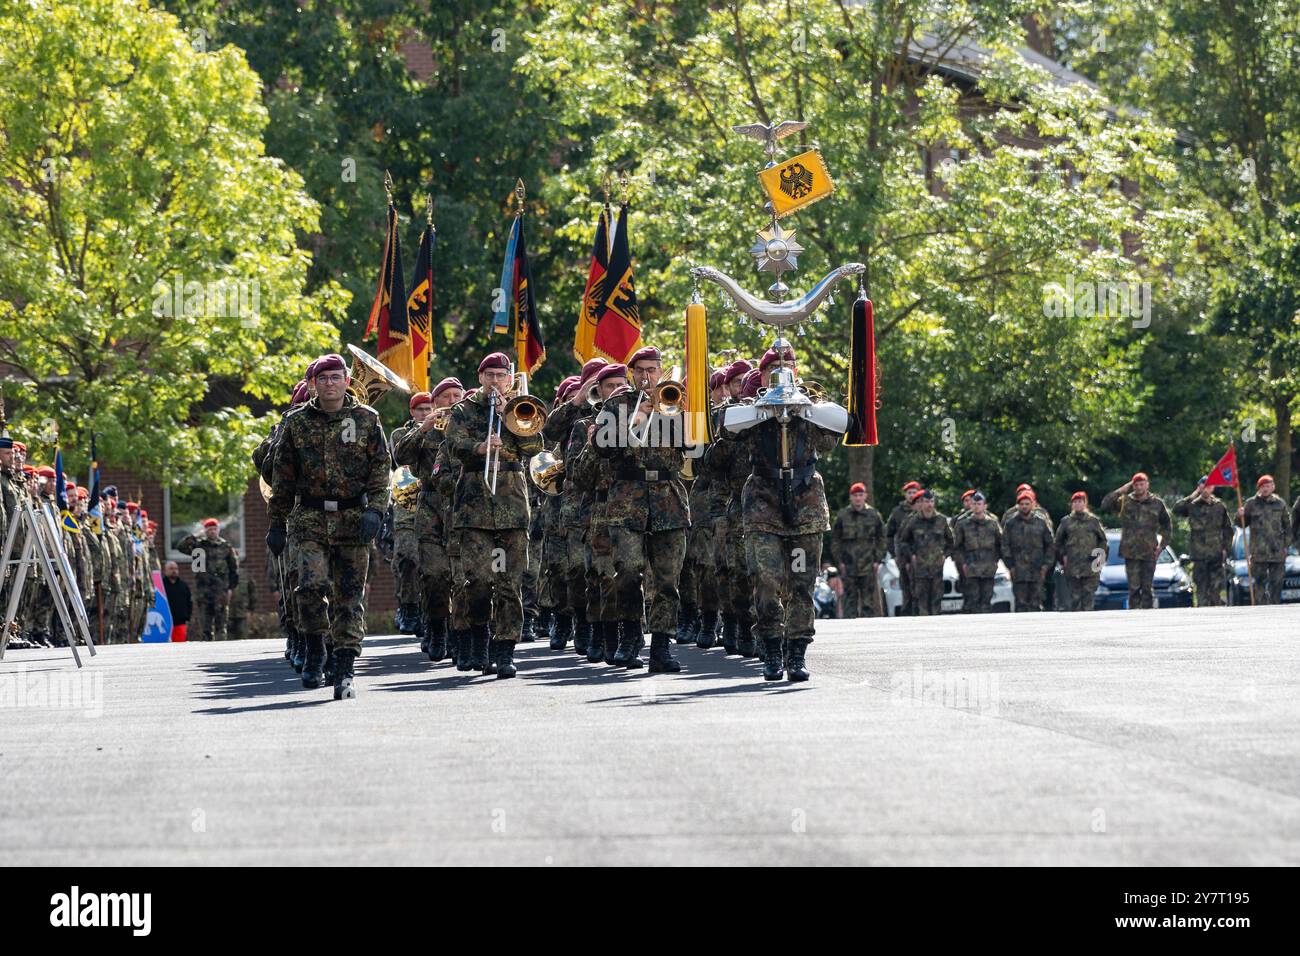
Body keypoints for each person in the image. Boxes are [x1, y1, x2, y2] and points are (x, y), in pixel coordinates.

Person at [718, 348, 845, 682]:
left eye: (787, 366)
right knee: (767, 579)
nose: (781, 372)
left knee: (801, 582)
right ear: (761, 376)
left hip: (805, 506)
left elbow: (832, 439)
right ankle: (771, 648)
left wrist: (804, 410)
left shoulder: (811, 403)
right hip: (763, 504)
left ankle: (797, 651)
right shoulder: (751, 406)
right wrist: (764, 411)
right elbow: (727, 432)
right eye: (774, 367)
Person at [267, 352, 389, 699]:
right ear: (314, 385)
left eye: (337, 377)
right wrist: (277, 523)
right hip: (310, 519)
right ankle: (315, 645)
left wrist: (376, 511)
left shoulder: (367, 419)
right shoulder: (297, 422)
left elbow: (381, 472)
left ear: (347, 381)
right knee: (308, 587)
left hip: (353, 519)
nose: (331, 384)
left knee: (348, 597)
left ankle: (345, 665)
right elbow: (283, 479)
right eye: (324, 379)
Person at [442, 351, 544, 678]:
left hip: (512, 507)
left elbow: (534, 447)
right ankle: (478, 638)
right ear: (480, 377)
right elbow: (453, 443)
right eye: (491, 375)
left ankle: (505, 650)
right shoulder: (463, 410)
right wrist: (478, 447)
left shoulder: (519, 408)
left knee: (509, 583)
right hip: (474, 507)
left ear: (510, 378)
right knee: (478, 581)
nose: (496, 380)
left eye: (502, 375)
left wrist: (510, 419)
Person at [580, 381, 689, 671]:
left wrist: (677, 413)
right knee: (627, 571)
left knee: (667, 580)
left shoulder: (679, 400)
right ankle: (630, 635)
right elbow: (602, 447)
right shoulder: (616, 405)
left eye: (652, 370)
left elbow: (697, 446)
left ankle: (662, 647)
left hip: (668, 499)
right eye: (640, 370)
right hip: (627, 499)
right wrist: (633, 421)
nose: (646, 376)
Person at [392, 375, 464, 662]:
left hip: (464, 507)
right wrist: (425, 427)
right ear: (434, 402)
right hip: (432, 509)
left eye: (457, 396)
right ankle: (436, 629)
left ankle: (459, 634)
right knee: (434, 576)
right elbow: (401, 457)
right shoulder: (424, 430)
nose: (452, 401)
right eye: (445, 397)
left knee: (462, 579)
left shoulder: (471, 426)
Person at [388, 391, 435, 643]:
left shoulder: (443, 428)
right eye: (420, 409)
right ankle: (408, 607)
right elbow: (400, 457)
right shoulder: (400, 434)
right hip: (407, 508)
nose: (425, 413)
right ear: (411, 412)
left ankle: (432, 616)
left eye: (429, 408)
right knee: (407, 558)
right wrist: (422, 430)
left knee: (432, 566)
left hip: (434, 505)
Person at [1100, 472, 1172, 609]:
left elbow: (1167, 526)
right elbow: (1105, 504)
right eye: (1136, 484)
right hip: (1130, 552)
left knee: (1147, 588)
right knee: (1133, 588)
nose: (1139, 487)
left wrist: (1162, 546)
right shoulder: (1125, 501)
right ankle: (1134, 617)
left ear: (1147, 485)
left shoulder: (1156, 503)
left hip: (1149, 551)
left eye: (1141, 484)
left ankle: (1148, 616)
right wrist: (1123, 489)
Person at [1172, 479, 1234, 607]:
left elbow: (1228, 529)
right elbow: (1176, 510)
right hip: (1199, 555)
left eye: (1209, 486)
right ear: (1199, 487)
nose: (1206, 488)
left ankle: (1215, 615)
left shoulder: (1219, 506)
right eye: (1203, 486)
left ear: (1213, 488)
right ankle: (1202, 616)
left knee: (1215, 589)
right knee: (1201, 589)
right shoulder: (1192, 505)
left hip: (1216, 554)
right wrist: (1194, 494)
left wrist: (1225, 549)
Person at [830, 482, 887, 618]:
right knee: (850, 602)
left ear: (865, 496)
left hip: (868, 564)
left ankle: (867, 632)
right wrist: (839, 561)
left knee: (868, 602)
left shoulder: (874, 515)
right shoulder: (843, 516)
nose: (858, 498)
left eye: (860, 495)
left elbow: (882, 538)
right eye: (855, 495)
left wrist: (878, 559)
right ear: (850, 497)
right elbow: (835, 540)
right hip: (848, 565)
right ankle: (850, 632)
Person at [177, 518, 237, 641]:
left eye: (215, 529)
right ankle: (208, 650)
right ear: (205, 531)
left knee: (221, 626)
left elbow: (233, 569)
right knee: (205, 627)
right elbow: (181, 547)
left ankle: (222, 652)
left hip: (221, 591)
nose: (212, 532)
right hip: (203, 592)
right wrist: (195, 535)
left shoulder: (226, 546)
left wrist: (231, 588)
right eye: (209, 529)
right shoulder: (198, 546)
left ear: (218, 530)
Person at [896, 489, 953, 616]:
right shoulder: (913, 521)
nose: (929, 505)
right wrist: (912, 555)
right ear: (921, 503)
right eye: (927, 501)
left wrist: (945, 555)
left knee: (936, 600)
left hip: (937, 568)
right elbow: (903, 541)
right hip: (920, 568)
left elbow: (951, 541)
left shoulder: (941, 520)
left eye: (932, 501)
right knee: (921, 601)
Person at [1237, 474, 1291, 604]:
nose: (1265, 489)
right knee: (1259, 583)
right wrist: (1240, 516)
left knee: (1276, 583)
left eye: (1268, 486)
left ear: (1273, 487)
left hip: (1277, 552)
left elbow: (1288, 527)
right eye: (1263, 486)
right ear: (1259, 488)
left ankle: (1275, 608)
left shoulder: (1280, 504)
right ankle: (1261, 610)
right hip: (1259, 553)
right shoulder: (1251, 504)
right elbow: (1241, 525)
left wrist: (1286, 546)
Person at [1054, 492, 1107, 611]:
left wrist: (1099, 557)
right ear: (1072, 505)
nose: (1078, 504)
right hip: (1072, 566)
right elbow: (1058, 542)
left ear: (1085, 503)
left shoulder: (1093, 521)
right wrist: (1063, 556)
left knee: (1088, 597)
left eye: (1080, 501)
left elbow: (1103, 540)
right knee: (1075, 598)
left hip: (1090, 565)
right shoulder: (1066, 522)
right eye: (1075, 502)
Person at [1002, 491, 1053, 611]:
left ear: (1032, 505)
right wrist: (1010, 566)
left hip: (1037, 570)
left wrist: (1046, 565)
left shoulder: (1041, 522)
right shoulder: (1010, 523)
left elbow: (1050, 544)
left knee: (1036, 604)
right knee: (1020, 604)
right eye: (1022, 504)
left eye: (1027, 503)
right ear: (1018, 505)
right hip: (1018, 571)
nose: (1024, 506)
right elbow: (1005, 545)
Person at [952, 491, 1002, 612]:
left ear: (984, 506)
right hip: (971, 568)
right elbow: (956, 546)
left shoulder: (992, 523)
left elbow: (1001, 544)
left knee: (986, 601)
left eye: (979, 504)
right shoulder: (962, 524)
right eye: (974, 504)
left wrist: (996, 561)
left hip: (988, 568)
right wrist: (962, 563)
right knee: (971, 601)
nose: (976, 506)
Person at [885, 481, 922, 615]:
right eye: (909, 493)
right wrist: (894, 554)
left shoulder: (925, 509)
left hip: (923, 557)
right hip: (904, 557)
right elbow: (889, 535)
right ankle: (908, 617)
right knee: (907, 589)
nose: (912, 495)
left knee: (922, 590)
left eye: (914, 492)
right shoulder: (898, 512)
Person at [226, 549, 255, 640]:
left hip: (242, 613)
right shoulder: (224, 576)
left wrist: (250, 610)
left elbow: (252, 594)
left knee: (242, 639)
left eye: (235, 559)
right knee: (227, 641)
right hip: (227, 614)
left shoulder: (245, 575)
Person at [162, 561, 192, 641]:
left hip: (180, 623)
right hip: (165, 623)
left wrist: (188, 618)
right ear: (165, 571)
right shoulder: (161, 586)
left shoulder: (183, 586)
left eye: (176, 568)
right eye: (171, 568)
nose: (174, 571)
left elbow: (189, 603)